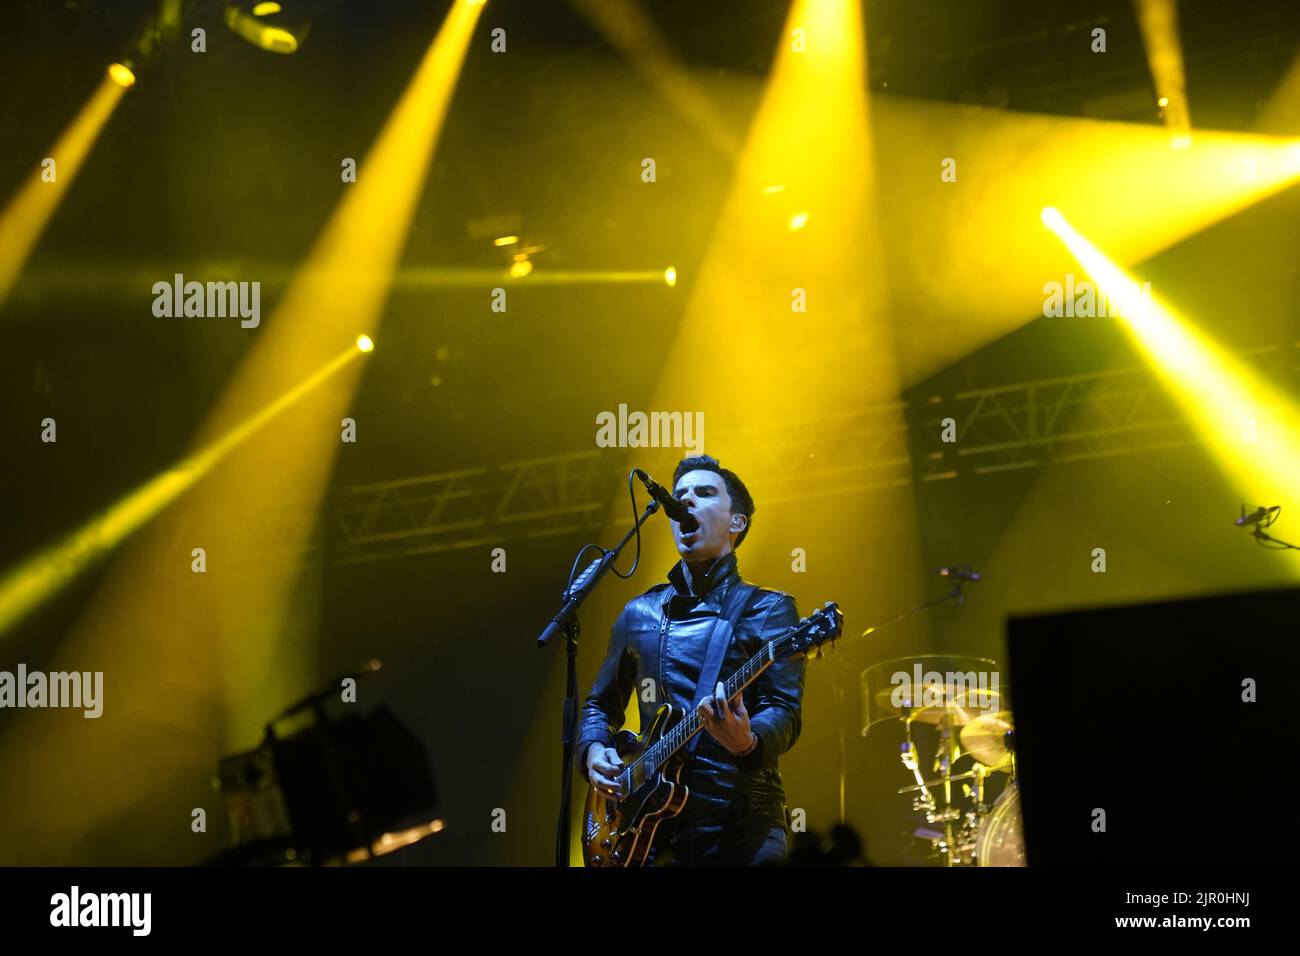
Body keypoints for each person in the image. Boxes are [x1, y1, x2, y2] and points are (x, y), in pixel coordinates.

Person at [576, 454, 805, 865]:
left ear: (738, 523)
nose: (687, 501)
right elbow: (599, 705)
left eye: (704, 493)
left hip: (741, 824)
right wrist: (593, 750)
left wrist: (748, 741)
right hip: (650, 830)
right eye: (680, 496)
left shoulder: (769, 609)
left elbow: (783, 709)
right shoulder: (639, 613)